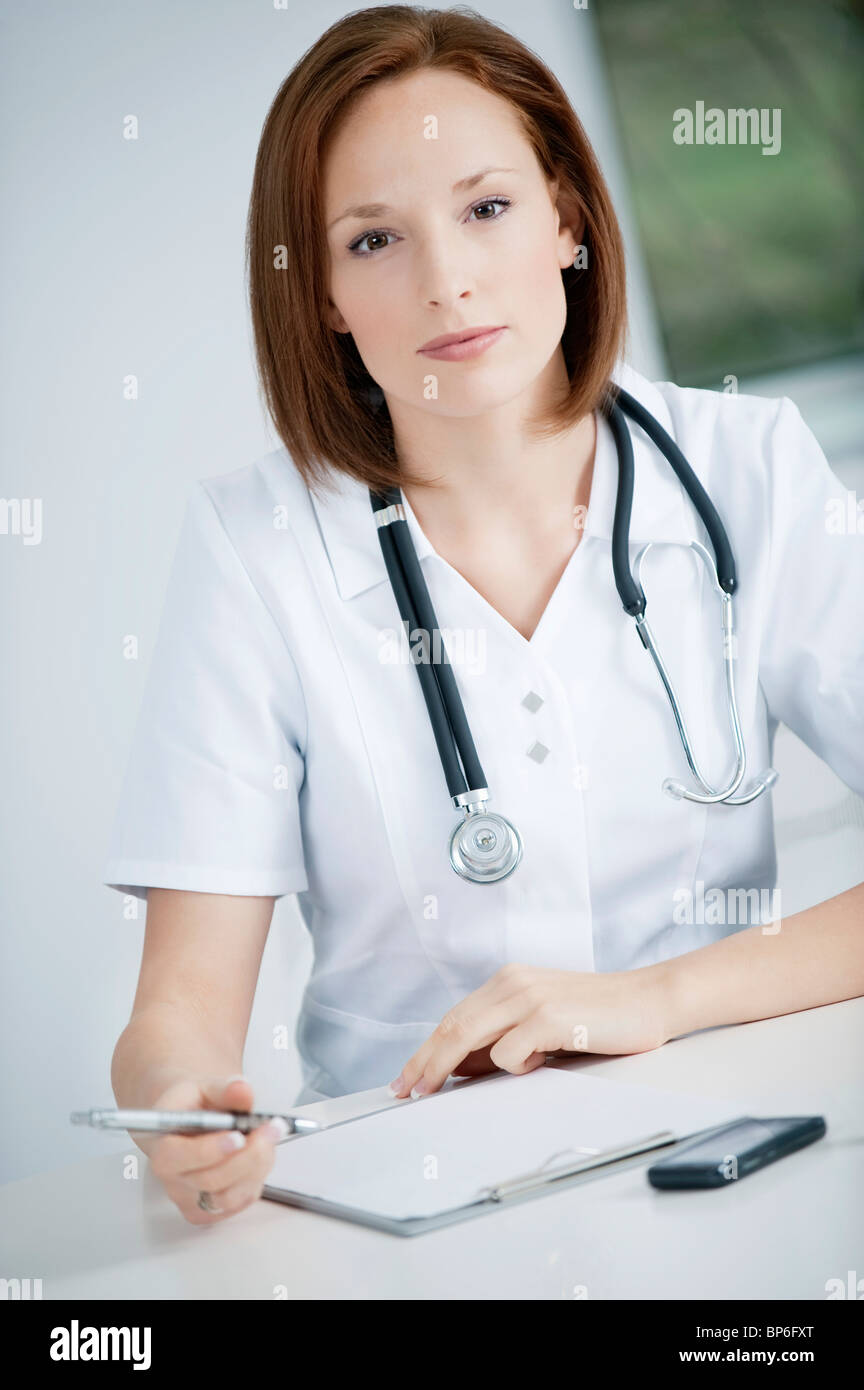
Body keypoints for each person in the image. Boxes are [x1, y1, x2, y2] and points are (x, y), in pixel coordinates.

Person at [105, 5, 864, 1224]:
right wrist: (187, 1102)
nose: (446, 278)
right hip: (421, 1199)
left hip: (732, 1149)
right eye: (372, 240)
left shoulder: (750, 468)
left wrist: (659, 995)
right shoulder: (256, 549)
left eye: (487, 208)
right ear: (323, 299)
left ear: (566, 215)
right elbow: (177, 1016)